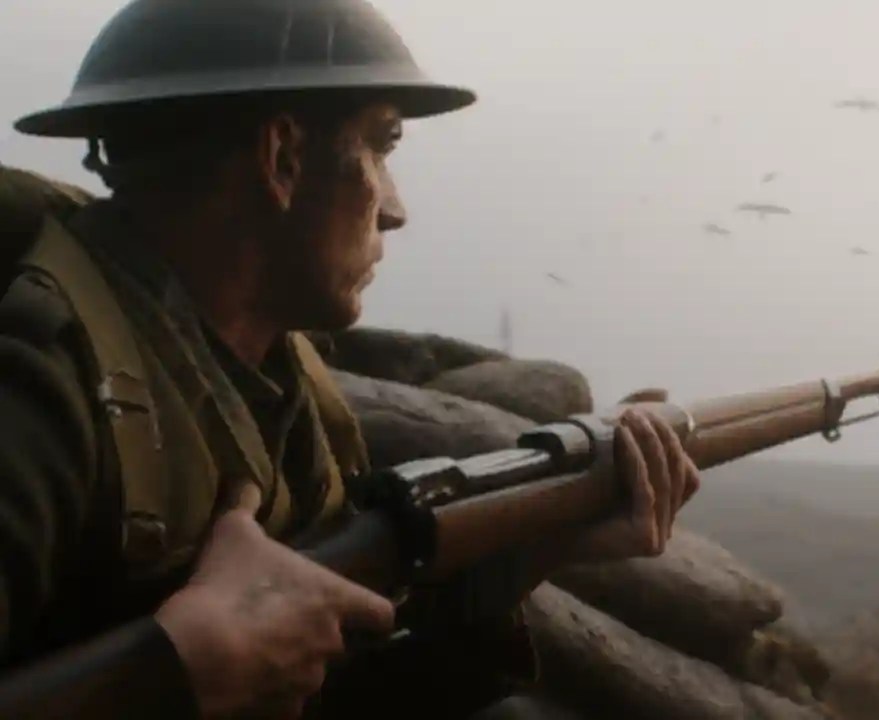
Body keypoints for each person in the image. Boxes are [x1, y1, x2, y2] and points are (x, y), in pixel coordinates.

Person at [0, 0, 700, 718]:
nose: (394, 209)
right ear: (283, 158)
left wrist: (539, 547)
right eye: (381, 147)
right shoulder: (41, 392)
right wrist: (175, 671)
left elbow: (337, 695)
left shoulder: (278, 391)